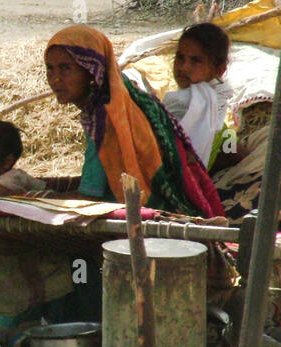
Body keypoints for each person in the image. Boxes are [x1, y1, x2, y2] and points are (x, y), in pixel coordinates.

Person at [44, 25, 223, 216]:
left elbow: (90, 198)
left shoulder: (107, 117)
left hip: (148, 216)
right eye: (50, 68)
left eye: (65, 68)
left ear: (91, 70)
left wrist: (31, 195)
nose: (55, 79)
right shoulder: (118, 101)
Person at [162, 22, 234, 170]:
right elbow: (232, 151)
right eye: (180, 57)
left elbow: (232, 151)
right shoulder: (217, 115)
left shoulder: (188, 106)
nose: (183, 67)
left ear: (219, 70)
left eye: (196, 60)